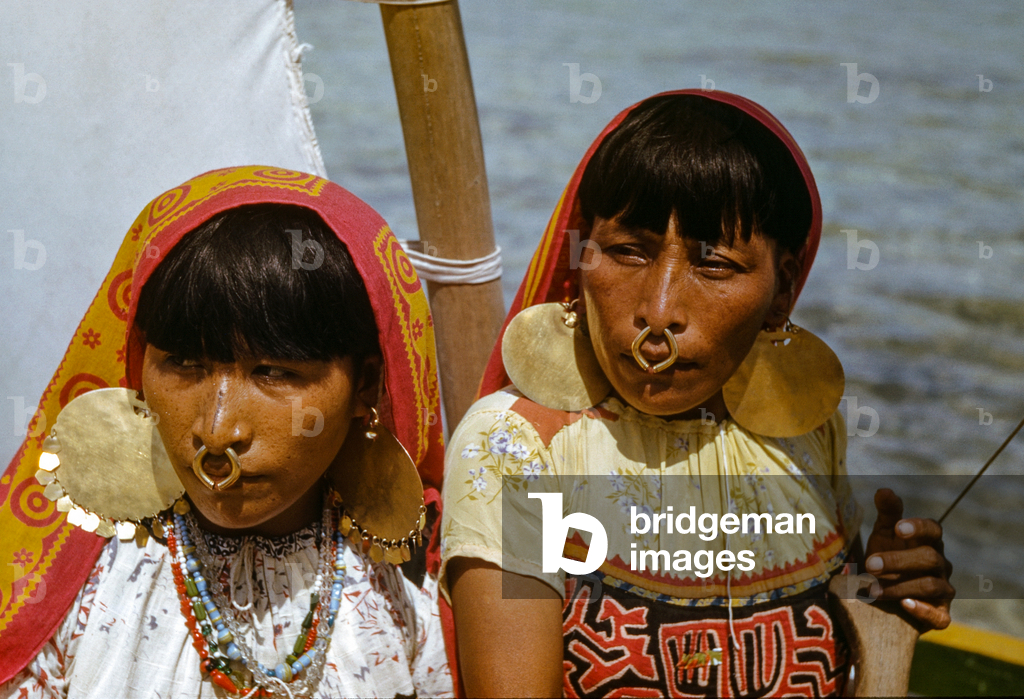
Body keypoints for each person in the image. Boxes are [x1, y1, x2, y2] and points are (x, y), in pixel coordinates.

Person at [439, 92, 955, 697]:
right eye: (627, 251)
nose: (659, 312)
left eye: (715, 265)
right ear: (580, 259)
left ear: (782, 289)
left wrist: (882, 604)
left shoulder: (806, 428)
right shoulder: (517, 447)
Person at [0, 166, 454, 698]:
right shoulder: (59, 594)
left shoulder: (410, 595)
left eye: (274, 371)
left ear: (366, 385)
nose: (217, 432)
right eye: (184, 362)